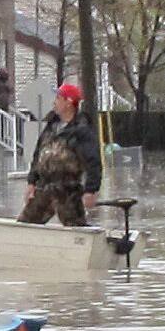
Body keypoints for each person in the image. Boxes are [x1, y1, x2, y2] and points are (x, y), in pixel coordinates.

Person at [21, 81, 99, 227]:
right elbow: (38, 156)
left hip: (68, 190)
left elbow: (93, 162)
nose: (54, 102)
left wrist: (91, 190)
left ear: (68, 103)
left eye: (58, 98)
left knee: (76, 227)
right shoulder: (50, 127)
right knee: (25, 225)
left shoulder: (82, 131)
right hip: (44, 188)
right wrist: (31, 183)